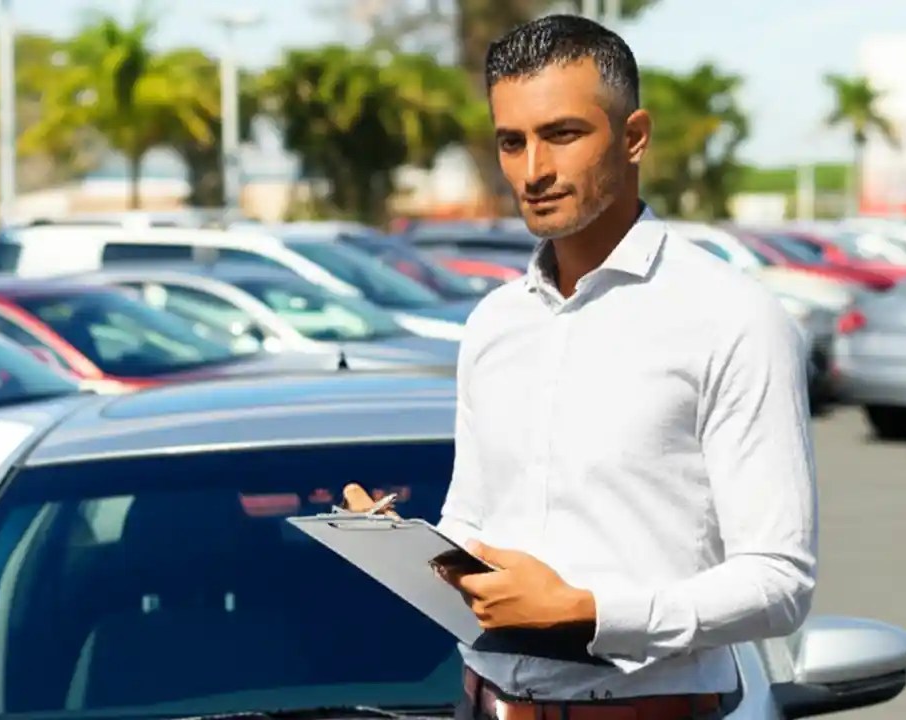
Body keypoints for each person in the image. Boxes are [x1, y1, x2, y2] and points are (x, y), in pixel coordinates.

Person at [343, 14, 817, 720]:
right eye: (512, 142)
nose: (533, 171)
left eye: (561, 134)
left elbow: (781, 582)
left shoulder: (732, 318)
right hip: (483, 704)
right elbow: (473, 518)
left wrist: (590, 611)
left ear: (633, 137)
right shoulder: (493, 324)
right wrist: (410, 550)